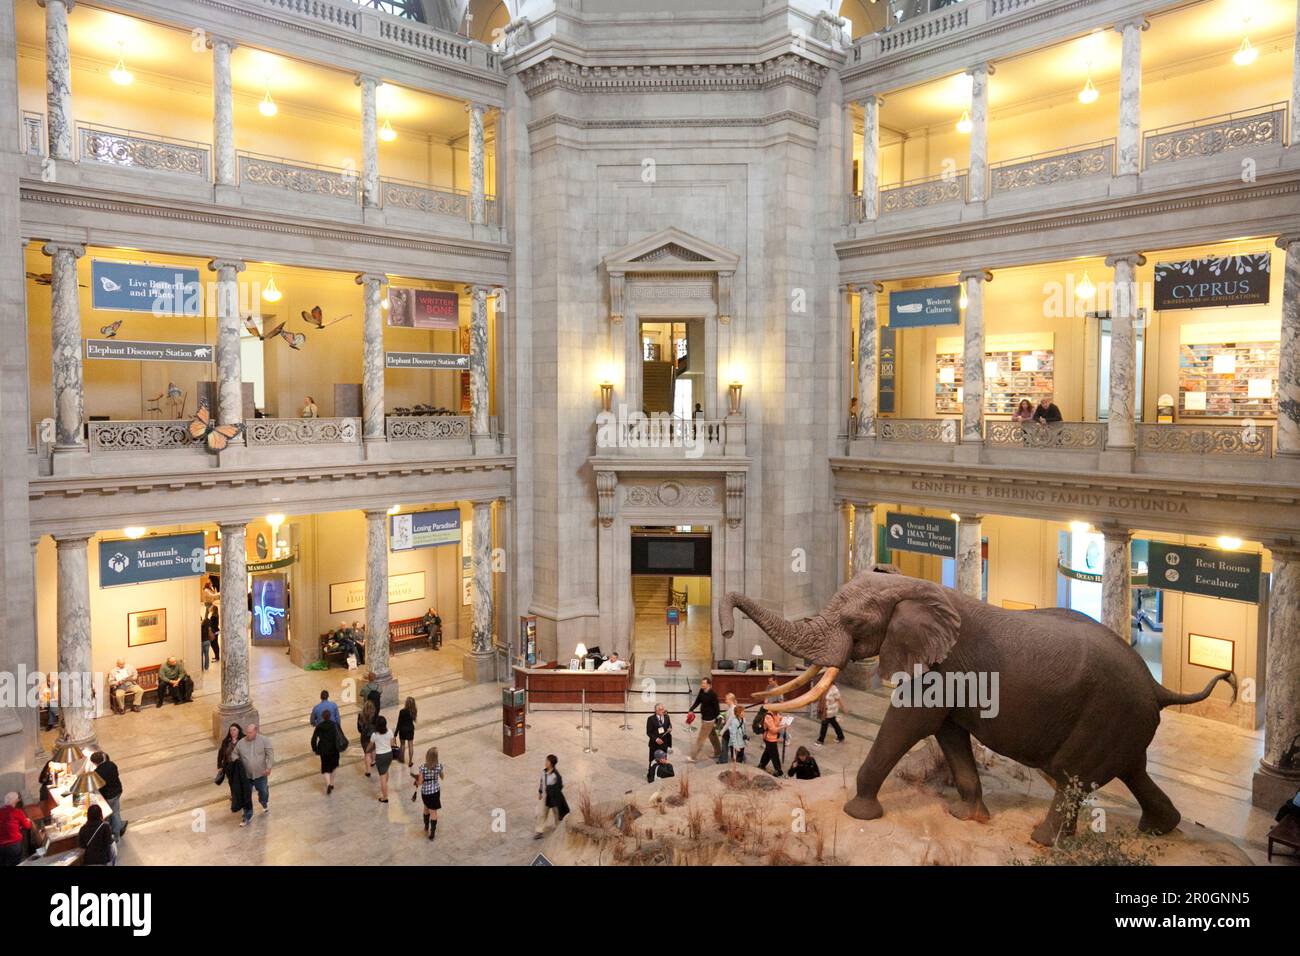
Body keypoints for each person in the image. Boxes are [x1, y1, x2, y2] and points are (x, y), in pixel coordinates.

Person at [235, 723, 273, 826]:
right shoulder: (241, 743)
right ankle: (248, 815)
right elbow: (234, 754)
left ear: (255, 731)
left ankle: (263, 801)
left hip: (261, 774)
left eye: (250, 733)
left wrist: (268, 767)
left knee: (263, 791)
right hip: (246, 776)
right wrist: (236, 762)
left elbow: (270, 755)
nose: (248, 735)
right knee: (246, 796)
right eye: (247, 732)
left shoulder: (264, 740)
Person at [90, 751, 126, 841]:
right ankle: (117, 830)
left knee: (111, 814)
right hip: (117, 790)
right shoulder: (111, 764)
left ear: (94, 762)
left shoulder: (97, 772)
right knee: (115, 812)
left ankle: (114, 834)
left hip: (109, 795)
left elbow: (98, 785)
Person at [218, 724, 251, 821]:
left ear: (238, 730)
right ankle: (235, 796)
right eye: (231, 730)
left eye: (234, 730)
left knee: (241, 784)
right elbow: (221, 753)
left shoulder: (244, 740)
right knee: (232, 783)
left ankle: (242, 800)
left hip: (240, 767)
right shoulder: (226, 741)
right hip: (229, 767)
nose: (232, 732)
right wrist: (219, 765)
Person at [412, 747, 445, 841]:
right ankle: (432, 832)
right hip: (436, 792)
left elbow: (420, 782)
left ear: (427, 756)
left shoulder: (423, 767)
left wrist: (416, 781)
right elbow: (442, 776)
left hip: (426, 793)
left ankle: (426, 826)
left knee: (426, 808)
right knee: (433, 812)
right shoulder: (439, 766)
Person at [686, 677, 722, 762]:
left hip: (709, 720)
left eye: (704, 683)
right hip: (704, 718)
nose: (702, 684)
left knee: (700, 739)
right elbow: (698, 700)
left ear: (708, 684)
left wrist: (717, 719)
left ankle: (693, 756)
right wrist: (692, 708)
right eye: (702, 683)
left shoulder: (713, 695)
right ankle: (718, 752)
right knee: (713, 736)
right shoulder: (702, 691)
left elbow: (717, 708)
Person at [534, 753, 568, 839]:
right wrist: (540, 792)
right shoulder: (543, 772)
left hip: (553, 798)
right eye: (546, 760)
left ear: (552, 763)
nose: (546, 762)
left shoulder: (556, 775)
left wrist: (552, 790)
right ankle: (539, 831)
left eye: (547, 761)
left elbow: (560, 786)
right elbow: (541, 782)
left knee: (557, 814)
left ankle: (559, 830)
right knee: (542, 813)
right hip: (545, 797)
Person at [310, 710, 343, 794]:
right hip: (334, 748)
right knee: (334, 765)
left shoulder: (319, 726)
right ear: (330, 716)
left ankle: (328, 784)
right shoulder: (335, 725)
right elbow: (340, 735)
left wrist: (315, 749)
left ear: (322, 717)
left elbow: (313, 739)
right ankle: (331, 783)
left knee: (325, 767)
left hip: (323, 749)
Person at [368, 715, 395, 803]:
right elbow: (392, 744)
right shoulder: (390, 731)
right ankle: (385, 786)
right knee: (386, 771)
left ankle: (385, 797)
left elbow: (370, 745)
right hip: (389, 754)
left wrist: (367, 751)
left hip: (380, 756)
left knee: (382, 777)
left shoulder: (374, 735)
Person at [0, 792, 31, 866]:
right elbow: (27, 826)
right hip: (13, 844)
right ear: (15, 801)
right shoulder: (17, 812)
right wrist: (28, 820)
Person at [645, 704, 672, 776]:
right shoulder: (651, 719)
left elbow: (669, 725)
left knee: (663, 759)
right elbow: (648, 732)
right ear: (656, 711)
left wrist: (670, 729)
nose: (663, 711)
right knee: (652, 760)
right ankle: (651, 774)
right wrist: (656, 739)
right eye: (661, 709)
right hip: (654, 744)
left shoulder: (666, 717)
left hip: (664, 743)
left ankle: (662, 773)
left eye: (663, 709)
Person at [758, 707, 783, 776]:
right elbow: (773, 730)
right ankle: (778, 770)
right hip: (769, 738)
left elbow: (779, 719)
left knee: (768, 752)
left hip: (773, 737)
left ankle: (762, 764)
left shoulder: (776, 714)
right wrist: (782, 726)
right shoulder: (768, 716)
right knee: (774, 754)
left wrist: (785, 719)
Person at [357, 699, 377, 778]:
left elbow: (359, 728)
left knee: (367, 753)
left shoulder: (360, 715)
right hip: (373, 735)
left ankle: (368, 771)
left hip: (364, 736)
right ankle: (373, 761)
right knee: (373, 748)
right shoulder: (375, 715)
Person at [396, 697, 418, 768]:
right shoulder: (414, 711)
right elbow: (414, 719)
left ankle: (402, 759)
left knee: (402, 745)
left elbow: (399, 723)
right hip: (410, 730)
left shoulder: (402, 711)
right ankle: (410, 762)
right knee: (410, 745)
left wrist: (395, 733)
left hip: (402, 730)